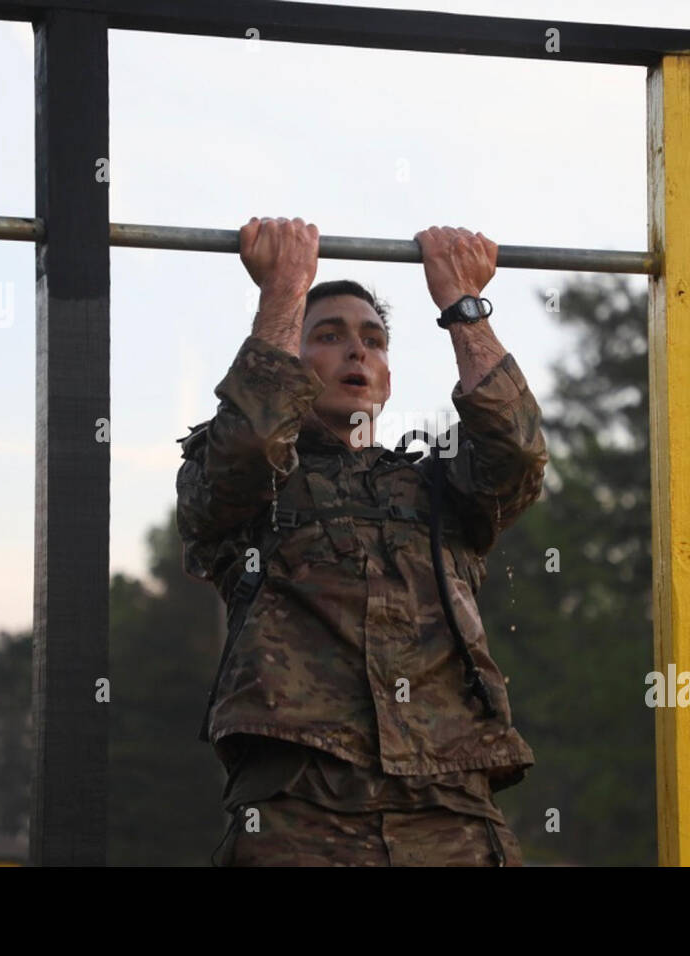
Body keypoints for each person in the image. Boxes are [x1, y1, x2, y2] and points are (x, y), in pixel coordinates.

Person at [175, 216, 548, 866]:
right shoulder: (252, 479)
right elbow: (251, 445)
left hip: (453, 811)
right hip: (300, 808)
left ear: (387, 378)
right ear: (293, 361)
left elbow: (516, 452)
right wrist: (284, 293)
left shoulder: (439, 489)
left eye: (373, 341)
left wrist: (462, 304)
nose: (356, 351)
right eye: (328, 335)